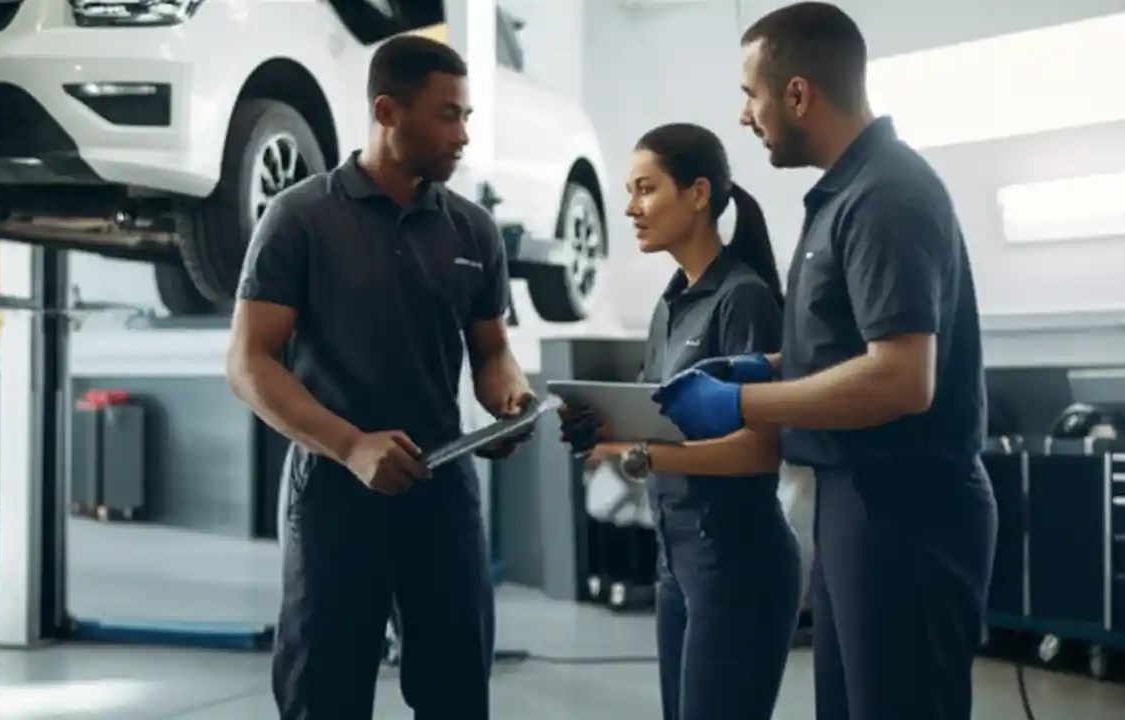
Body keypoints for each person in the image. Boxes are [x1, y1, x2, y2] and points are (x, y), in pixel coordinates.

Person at [653, 4, 999, 720]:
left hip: (908, 510)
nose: (745, 116)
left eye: (751, 94)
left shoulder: (886, 196)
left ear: (799, 94)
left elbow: (903, 376)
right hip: (856, 501)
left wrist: (743, 405)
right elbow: (836, 350)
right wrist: (758, 367)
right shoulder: (841, 197)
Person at [225, 35, 534, 720]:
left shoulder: (472, 229)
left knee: (456, 689)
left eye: (466, 116)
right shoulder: (299, 217)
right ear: (388, 112)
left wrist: (510, 396)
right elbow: (248, 364)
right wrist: (351, 445)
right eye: (448, 115)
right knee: (324, 693)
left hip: (441, 483)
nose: (463, 135)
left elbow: (490, 350)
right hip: (333, 489)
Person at [561, 123, 802, 720]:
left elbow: (760, 452)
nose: (630, 208)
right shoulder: (671, 303)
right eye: (628, 190)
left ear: (698, 194)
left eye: (646, 189)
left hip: (737, 558)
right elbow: (661, 420)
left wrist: (641, 454)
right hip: (676, 555)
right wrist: (604, 435)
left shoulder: (742, 300)